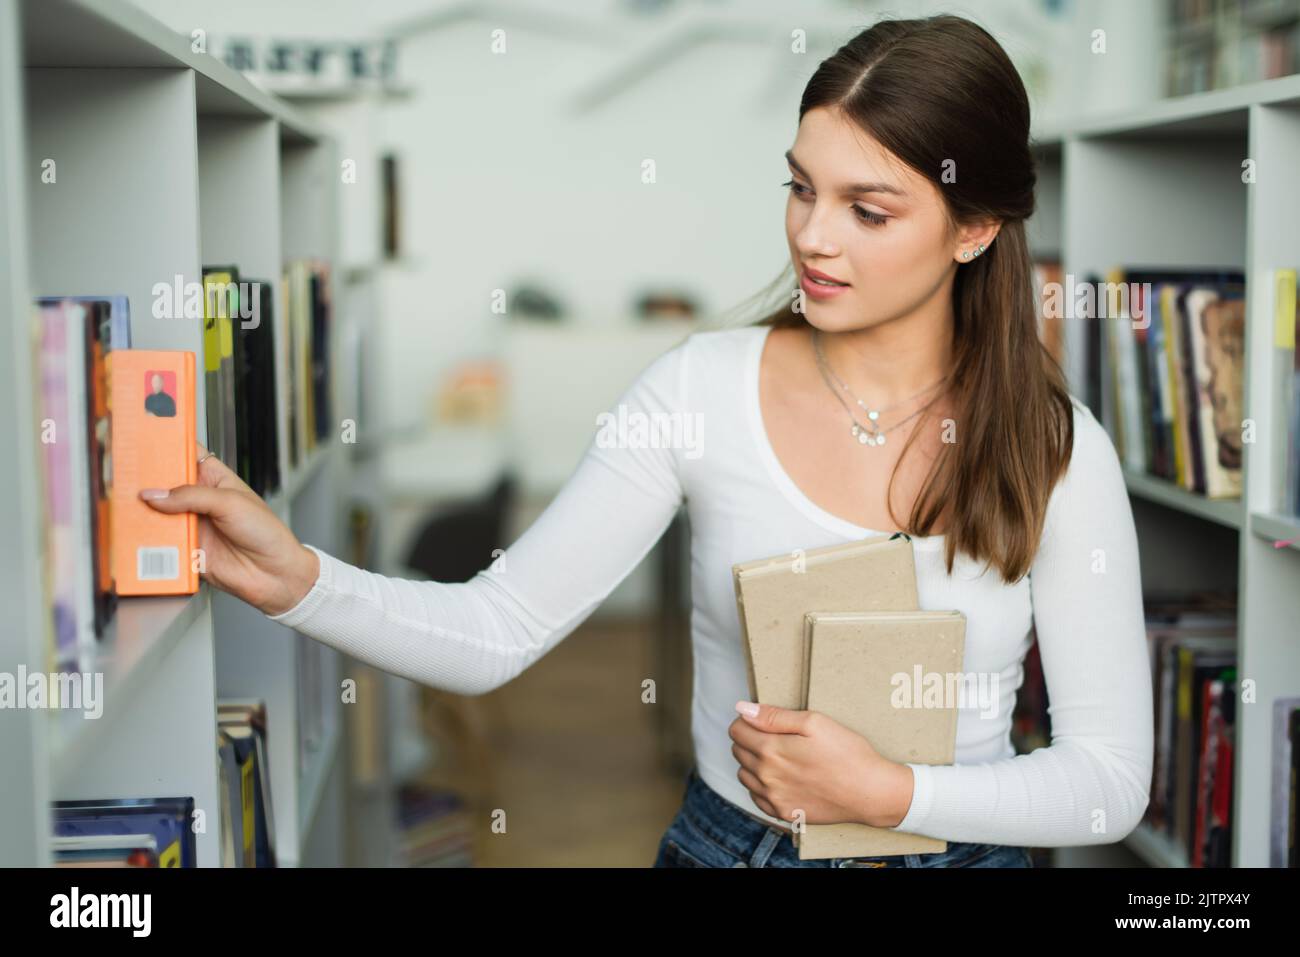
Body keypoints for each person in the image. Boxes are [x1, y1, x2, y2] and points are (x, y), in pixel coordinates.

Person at [141, 14, 1153, 868]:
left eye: (867, 209)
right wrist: (299, 579)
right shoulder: (699, 388)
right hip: (733, 848)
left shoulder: (1057, 450)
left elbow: (1108, 785)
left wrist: (894, 792)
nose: (813, 235)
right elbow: (496, 631)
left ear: (973, 230)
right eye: (800, 188)